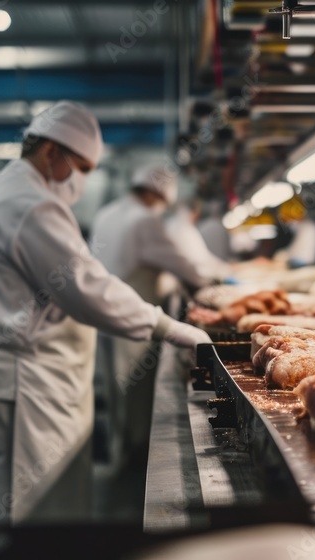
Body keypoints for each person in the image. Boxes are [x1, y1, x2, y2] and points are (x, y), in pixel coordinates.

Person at [0, 101, 211, 549]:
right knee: (21, 515)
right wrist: (166, 326)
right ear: (51, 151)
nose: (81, 180)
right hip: (19, 383)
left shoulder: (12, 191)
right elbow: (85, 285)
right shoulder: (30, 204)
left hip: (0, 375)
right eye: (81, 168)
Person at [89, 164, 214, 472]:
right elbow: (181, 263)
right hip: (135, 319)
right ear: (158, 193)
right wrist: (211, 280)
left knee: (115, 390)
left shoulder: (107, 213)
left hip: (104, 319)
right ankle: (135, 461)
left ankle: (120, 452)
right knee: (133, 393)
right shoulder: (144, 220)